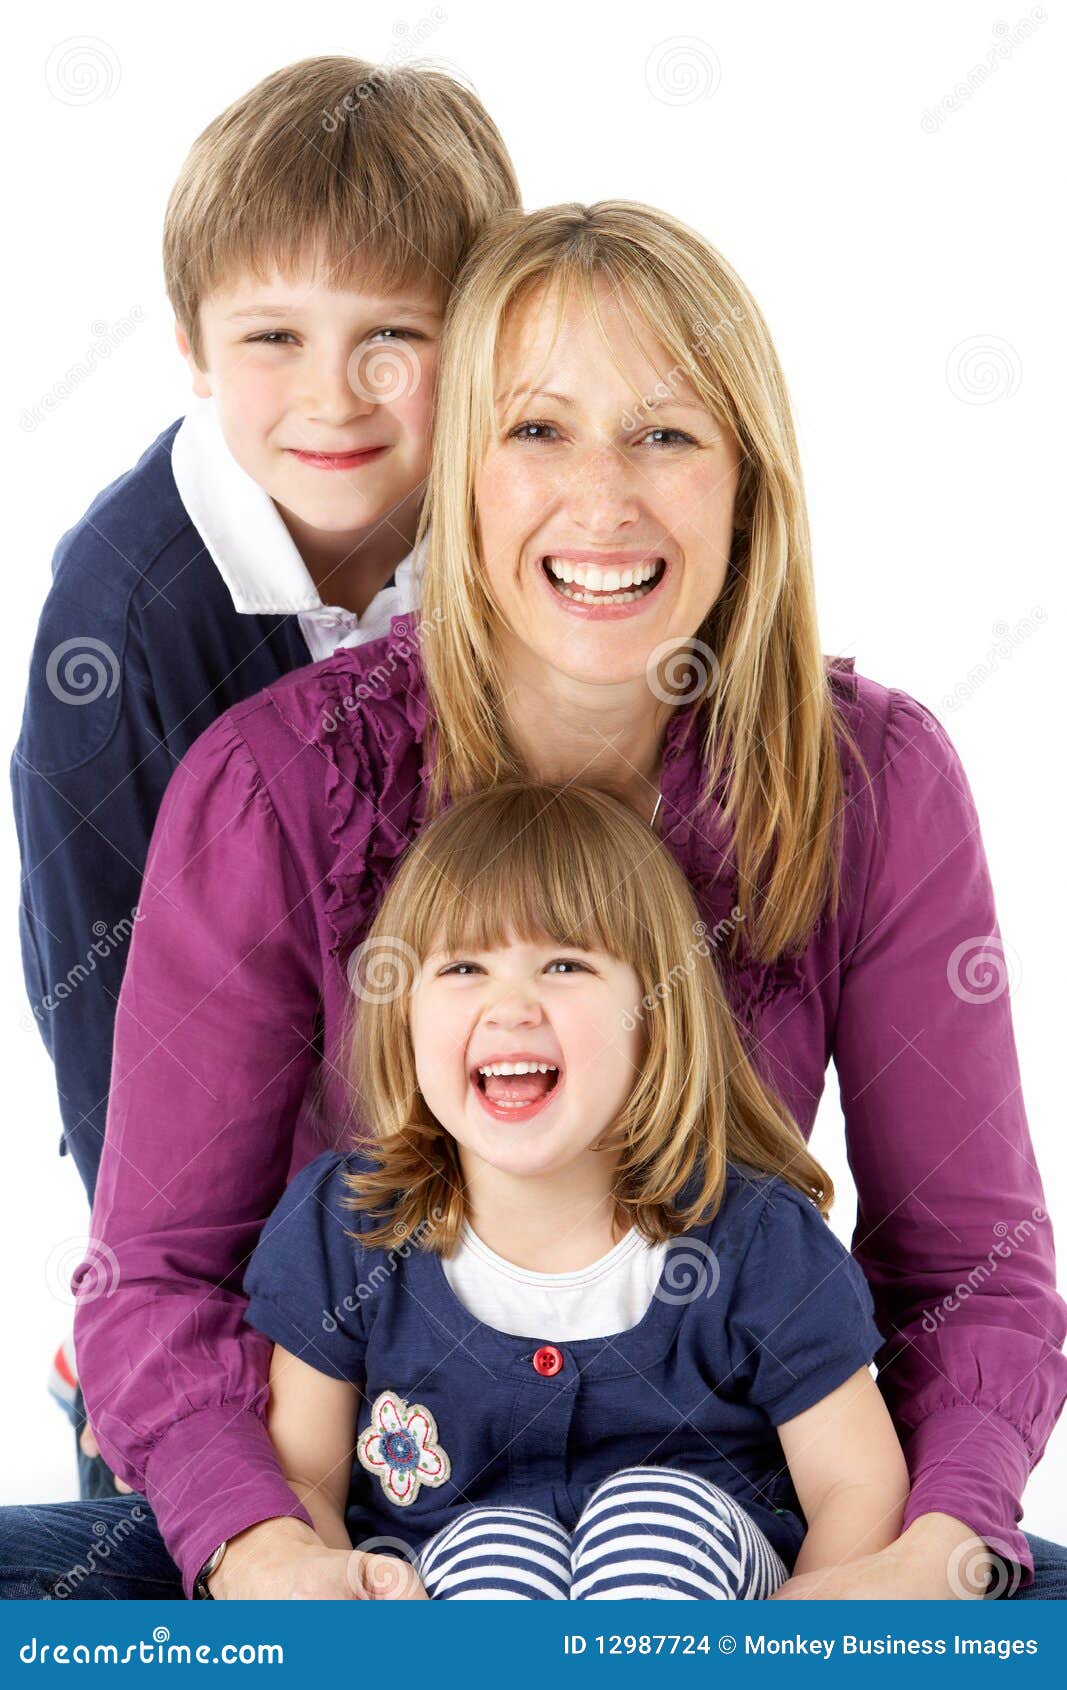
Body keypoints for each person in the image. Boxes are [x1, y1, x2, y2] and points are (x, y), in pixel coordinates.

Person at [1, 201, 1062, 1601]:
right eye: (536, 430)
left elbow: (965, 1270)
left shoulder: (874, 779)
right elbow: (156, 1273)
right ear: (458, 473)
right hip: (358, 1524)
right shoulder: (276, 788)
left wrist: (936, 1545)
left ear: (746, 480)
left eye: (666, 434)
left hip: (743, 1527)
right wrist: (268, 1550)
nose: (603, 500)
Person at [9, 53, 519, 1499]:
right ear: (188, 342)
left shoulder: (515, 528)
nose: (334, 398)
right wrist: (186, 1335)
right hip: (217, 1236)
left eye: (392, 337)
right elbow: (102, 1009)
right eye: (273, 337)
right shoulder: (120, 624)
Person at [238, 780, 910, 1601]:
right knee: (487, 1545)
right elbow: (302, 1474)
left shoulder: (754, 1240)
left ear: (655, 1013)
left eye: (563, 964)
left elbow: (856, 1483)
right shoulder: (349, 1229)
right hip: (450, 1588)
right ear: (403, 1014)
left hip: (716, 1596)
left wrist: (803, 1632)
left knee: (653, 1517)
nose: (509, 1007)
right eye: (461, 966)